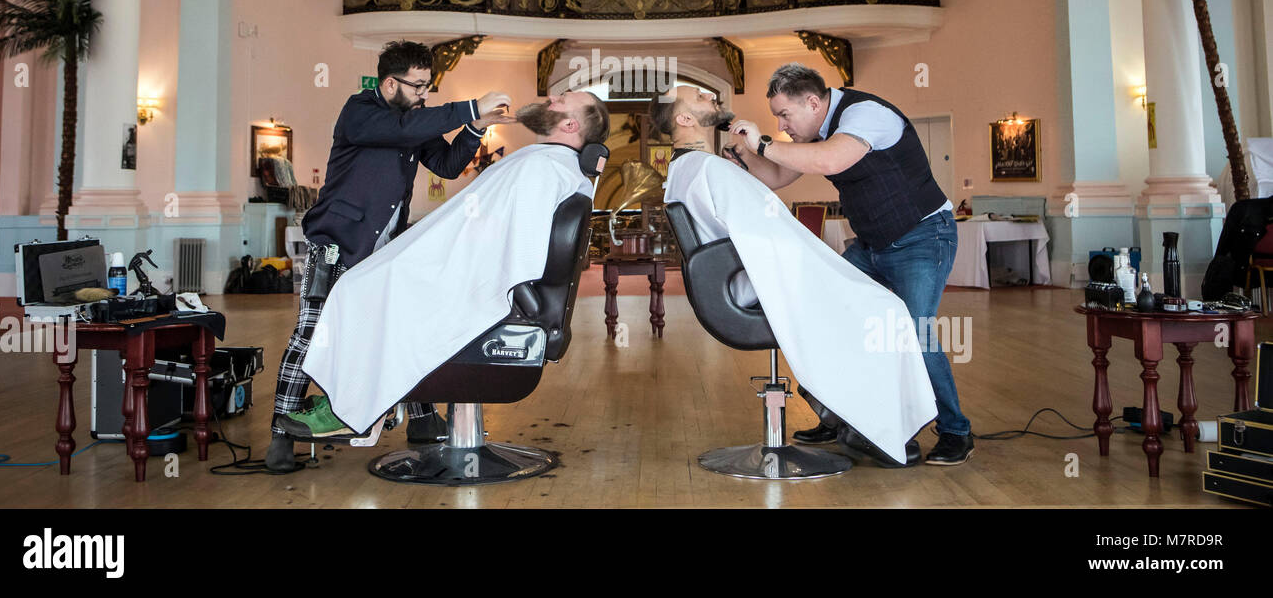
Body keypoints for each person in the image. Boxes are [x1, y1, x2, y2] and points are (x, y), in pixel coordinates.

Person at [280, 92, 611, 442]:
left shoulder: (544, 168)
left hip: (474, 280)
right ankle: (356, 404)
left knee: (362, 289)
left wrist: (442, 262)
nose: (551, 97)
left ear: (571, 125)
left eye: (562, 100)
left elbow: (513, 251)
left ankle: (348, 408)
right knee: (363, 286)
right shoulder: (548, 164)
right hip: (453, 265)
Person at [650, 85, 936, 466]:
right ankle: (877, 427)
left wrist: (752, 154)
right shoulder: (708, 168)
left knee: (865, 302)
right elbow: (773, 235)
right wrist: (820, 265)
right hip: (754, 283)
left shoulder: (689, 168)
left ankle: (841, 411)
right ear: (683, 119)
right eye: (700, 99)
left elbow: (763, 219)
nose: (712, 99)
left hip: (735, 285)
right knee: (885, 308)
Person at [265, 40, 516, 472]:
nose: (423, 94)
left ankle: (421, 420)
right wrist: (471, 106)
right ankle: (280, 436)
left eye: (427, 86)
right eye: (418, 86)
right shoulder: (359, 112)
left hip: (385, 248)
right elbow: (399, 133)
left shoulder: (412, 120)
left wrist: (477, 128)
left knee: (402, 328)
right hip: (337, 242)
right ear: (389, 84)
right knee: (312, 335)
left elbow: (449, 165)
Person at [729, 63, 973, 465]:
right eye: (776, 117)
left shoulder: (866, 114)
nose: (781, 123)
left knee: (915, 333)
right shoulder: (812, 132)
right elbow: (773, 175)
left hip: (923, 237)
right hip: (873, 245)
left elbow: (830, 160)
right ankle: (838, 415)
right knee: (822, 315)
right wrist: (743, 153)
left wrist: (763, 143)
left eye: (784, 114)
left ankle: (955, 432)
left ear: (812, 102)